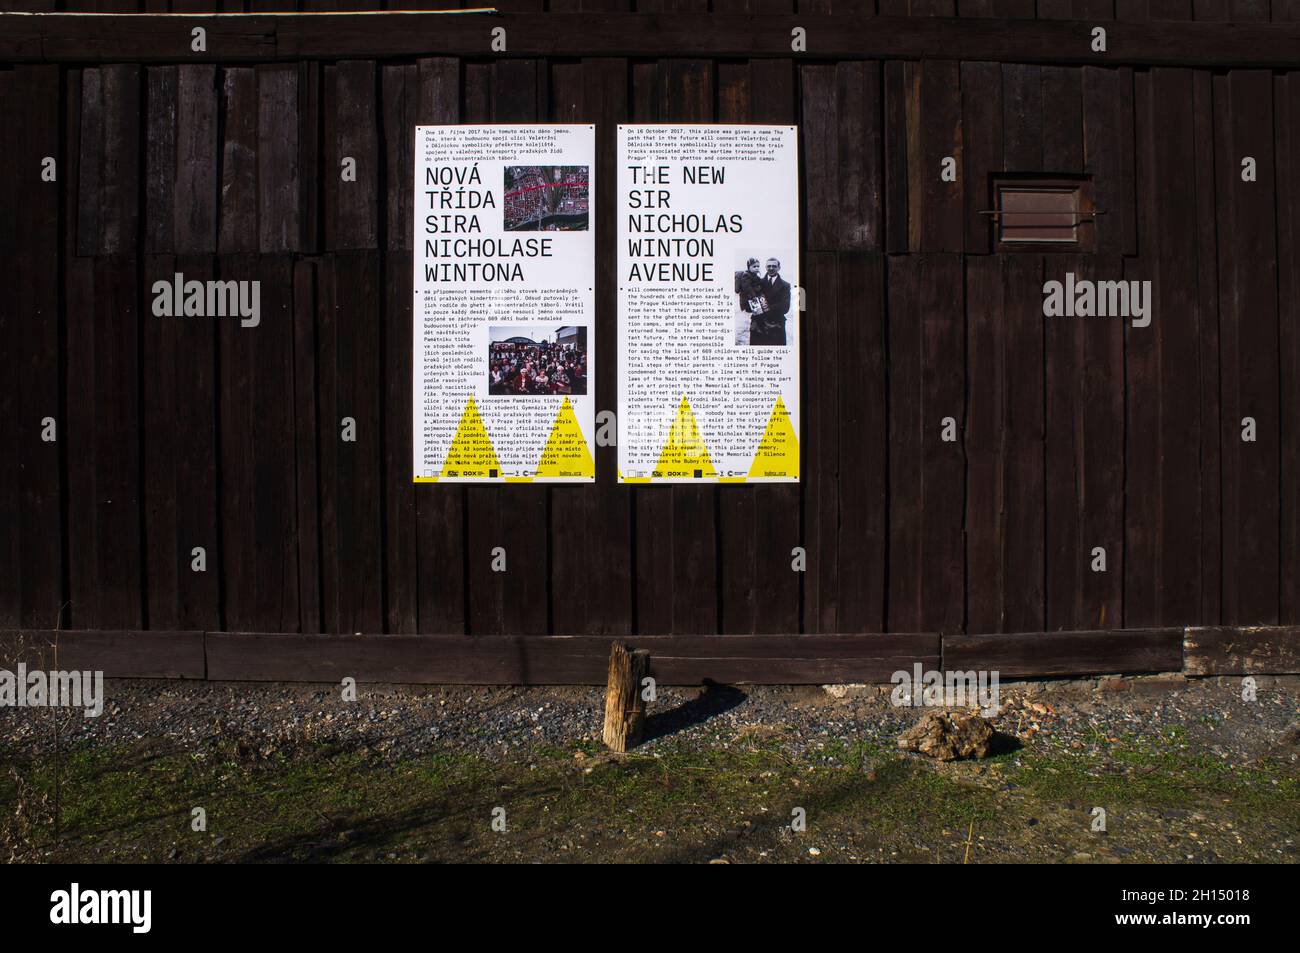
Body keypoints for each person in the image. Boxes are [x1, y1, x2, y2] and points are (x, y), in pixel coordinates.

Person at [750, 257, 790, 346]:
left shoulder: (785, 285)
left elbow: (785, 307)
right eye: (769, 266)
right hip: (758, 326)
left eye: (774, 266)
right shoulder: (756, 283)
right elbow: (753, 305)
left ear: (779, 268)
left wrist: (764, 307)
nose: (771, 268)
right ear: (765, 267)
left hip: (777, 326)